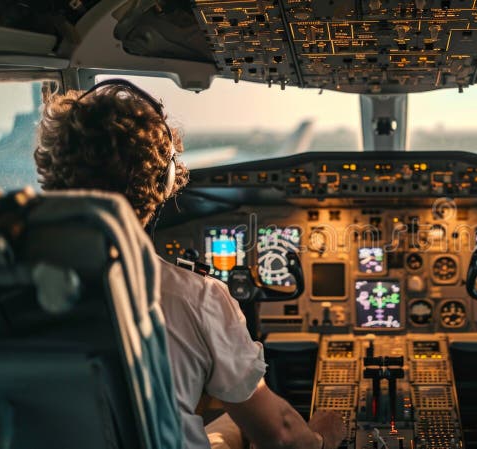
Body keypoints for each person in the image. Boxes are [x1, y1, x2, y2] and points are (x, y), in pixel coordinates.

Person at [34, 79, 344, 449]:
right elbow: (280, 435)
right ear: (163, 181)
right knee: (241, 426)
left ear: (52, 175)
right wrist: (323, 437)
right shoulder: (195, 298)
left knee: (228, 427)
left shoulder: (6, 288)